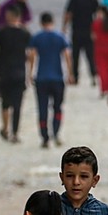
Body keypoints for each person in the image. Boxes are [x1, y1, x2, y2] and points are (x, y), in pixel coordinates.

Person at [30, 11, 75, 149]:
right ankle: (55, 133)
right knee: (57, 107)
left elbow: (32, 55)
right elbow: (67, 55)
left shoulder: (37, 38)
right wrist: (70, 73)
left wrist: (30, 73)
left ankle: (44, 137)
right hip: (57, 77)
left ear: (41, 23)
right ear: (52, 22)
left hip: (42, 77)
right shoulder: (60, 37)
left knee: (42, 108)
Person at [0, 6, 32, 143]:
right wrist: (30, 72)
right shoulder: (25, 33)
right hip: (20, 72)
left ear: (9, 16)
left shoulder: (1, 33)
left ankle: (5, 128)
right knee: (18, 105)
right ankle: (15, 133)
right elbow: (31, 54)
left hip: (4, 72)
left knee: (5, 103)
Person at [65, 0, 100, 86]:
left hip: (77, 30)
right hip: (89, 31)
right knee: (90, 55)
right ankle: (93, 76)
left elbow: (69, 13)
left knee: (75, 55)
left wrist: (64, 26)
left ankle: (75, 77)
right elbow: (98, 15)